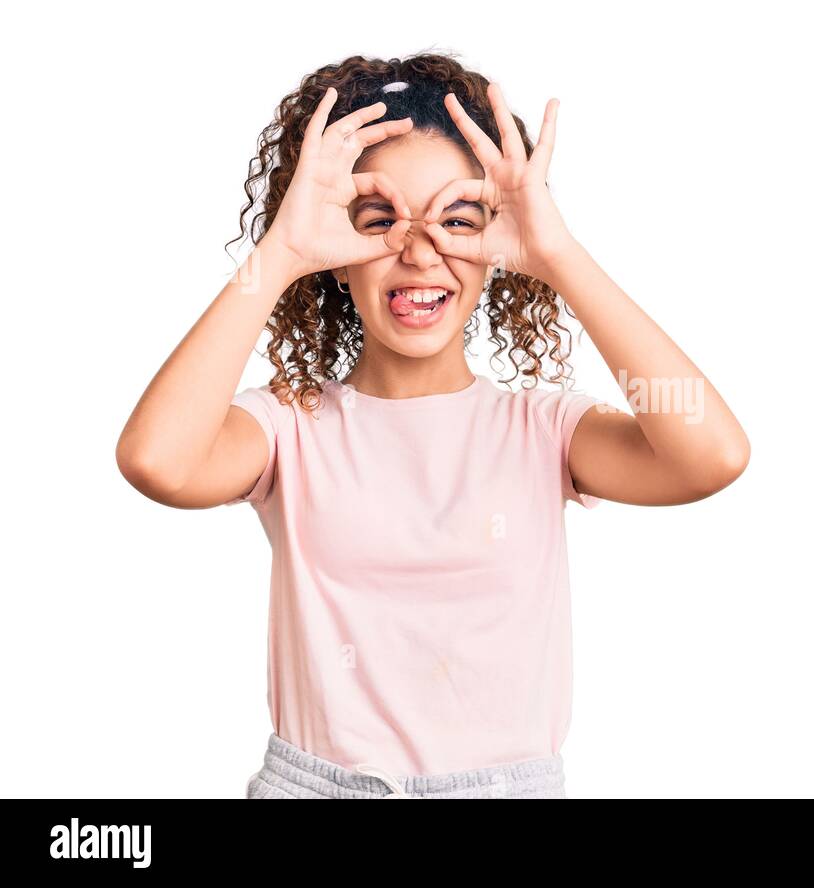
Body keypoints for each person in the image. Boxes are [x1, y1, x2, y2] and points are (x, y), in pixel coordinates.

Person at [116, 52, 750, 798]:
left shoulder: (541, 428)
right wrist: (280, 252)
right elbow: (157, 460)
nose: (419, 252)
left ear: (495, 249)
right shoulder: (288, 426)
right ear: (336, 258)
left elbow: (712, 454)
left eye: (458, 220)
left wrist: (560, 254)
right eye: (379, 221)